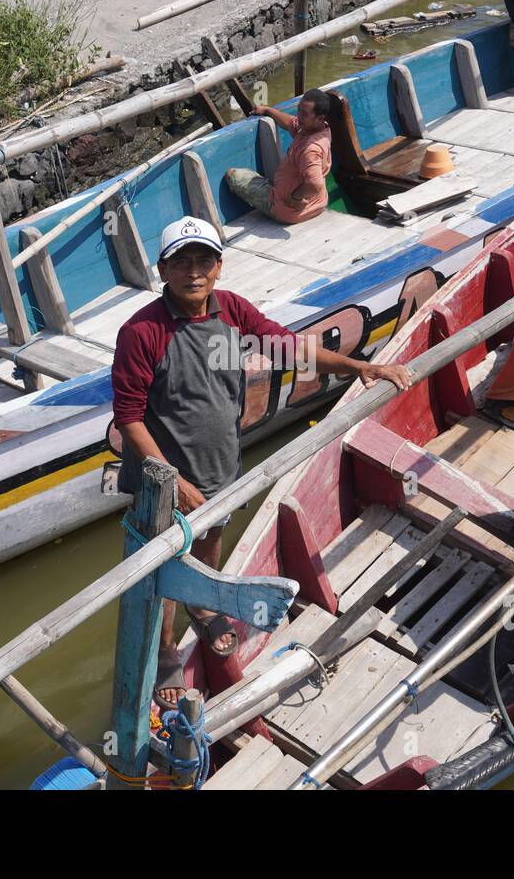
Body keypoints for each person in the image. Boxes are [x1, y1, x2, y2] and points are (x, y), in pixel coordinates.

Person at [111, 215, 411, 710]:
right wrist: (173, 480)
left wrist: (360, 366)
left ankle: (204, 609)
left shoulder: (231, 311)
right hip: (164, 476)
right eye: (181, 262)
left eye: (203, 260)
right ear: (162, 270)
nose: (193, 272)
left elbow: (288, 347)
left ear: (219, 267)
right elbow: (129, 418)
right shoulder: (142, 332)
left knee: (211, 534)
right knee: (166, 563)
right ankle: (165, 649)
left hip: (221, 459)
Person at [225, 89, 333, 225]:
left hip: (286, 209)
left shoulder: (310, 149)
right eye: (298, 110)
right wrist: (268, 111)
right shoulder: (317, 128)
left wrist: (294, 198)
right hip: (317, 203)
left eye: (304, 114)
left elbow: (314, 184)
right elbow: (289, 122)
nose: (298, 116)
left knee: (233, 176)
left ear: (320, 118)